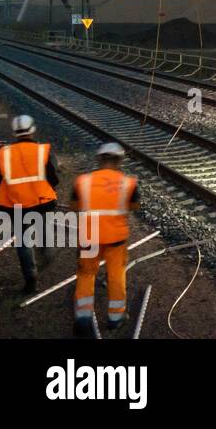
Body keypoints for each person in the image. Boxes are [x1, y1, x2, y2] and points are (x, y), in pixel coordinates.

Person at [72, 142, 138, 336]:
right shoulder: (128, 183)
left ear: (100, 159)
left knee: (86, 274)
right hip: (115, 238)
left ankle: (83, 315)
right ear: (119, 161)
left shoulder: (82, 181)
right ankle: (115, 318)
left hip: (89, 237)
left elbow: (74, 205)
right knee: (116, 275)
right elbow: (134, 207)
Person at [0, 115, 60, 293]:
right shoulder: (43, 151)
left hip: (15, 205)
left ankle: (31, 277)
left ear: (15, 132)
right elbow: (53, 178)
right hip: (41, 203)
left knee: (23, 241)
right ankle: (47, 252)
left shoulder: (3, 153)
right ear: (33, 130)